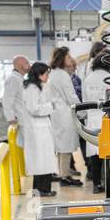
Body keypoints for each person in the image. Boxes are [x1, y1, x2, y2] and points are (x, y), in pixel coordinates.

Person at [18, 62, 58, 196]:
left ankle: (42, 189)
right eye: (46, 74)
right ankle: (42, 189)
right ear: (39, 74)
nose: (47, 77)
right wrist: (50, 106)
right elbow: (33, 108)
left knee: (43, 160)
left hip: (40, 128)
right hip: (37, 130)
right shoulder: (32, 88)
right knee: (41, 160)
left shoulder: (37, 87)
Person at [80, 42, 110, 195]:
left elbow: (85, 101)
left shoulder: (88, 79)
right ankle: (109, 183)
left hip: (92, 118)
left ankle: (96, 184)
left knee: (95, 153)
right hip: (108, 117)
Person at [46, 47, 82, 187]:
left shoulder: (53, 73)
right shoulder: (62, 75)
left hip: (57, 114)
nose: (70, 59)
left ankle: (63, 173)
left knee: (61, 147)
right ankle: (65, 176)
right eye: (67, 57)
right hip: (65, 114)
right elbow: (71, 96)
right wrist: (82, 111)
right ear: (61, 59)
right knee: (66, 146)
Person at [1, 55, 30, 132]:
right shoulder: (13, 79)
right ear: (20, 65)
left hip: (25, 119)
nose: (29, 65)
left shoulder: (20, 78)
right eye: (27, 63)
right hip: (20, 120)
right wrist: (10, 118)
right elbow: (7, 100)